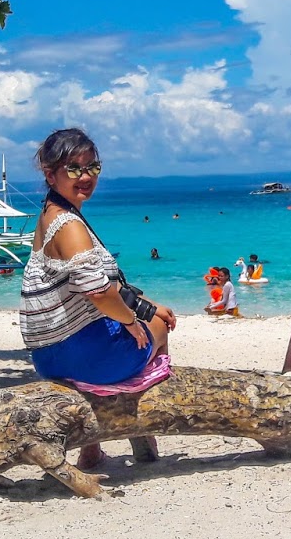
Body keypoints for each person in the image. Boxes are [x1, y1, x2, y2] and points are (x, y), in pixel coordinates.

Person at [20, 128, 176, 469]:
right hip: (77, 355)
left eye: (93, 167)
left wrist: (146, 306)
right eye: (74, 169)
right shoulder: (69, 225)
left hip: (49, 354)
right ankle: (143, 431)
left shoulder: (51, 213)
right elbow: (100, 292)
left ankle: (92, 448)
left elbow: (99, 283)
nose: (86, 176)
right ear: (51, 174)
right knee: (160, 330)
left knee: (153, 317)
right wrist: (133, 320)